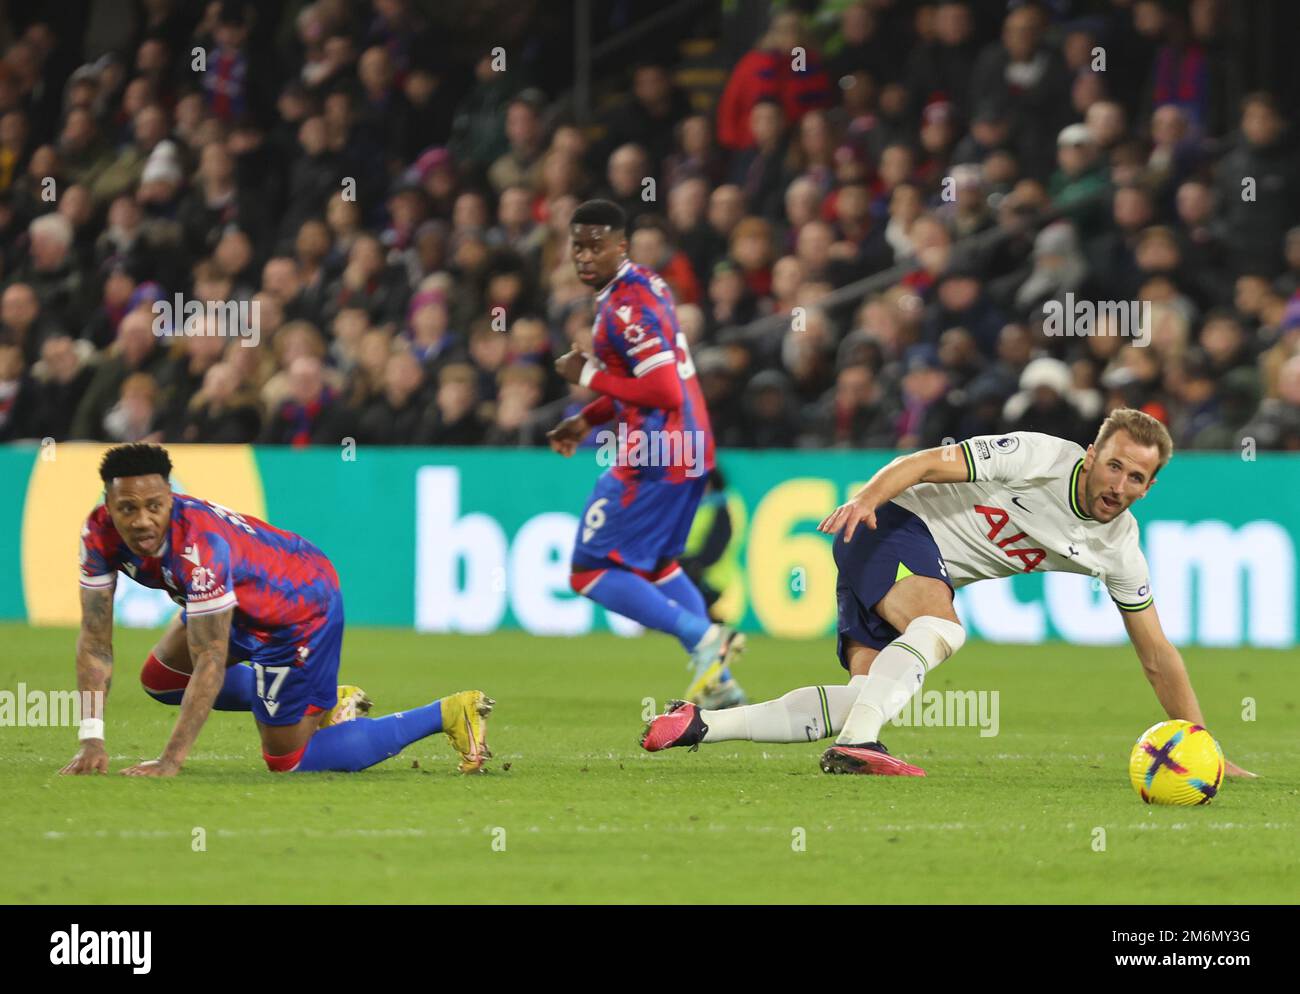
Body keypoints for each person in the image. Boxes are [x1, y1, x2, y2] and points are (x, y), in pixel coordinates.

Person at [643, 409, 1257, 784]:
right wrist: (867, 499)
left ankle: (698, 724)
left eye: (1137, 478)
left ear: (1149, 488)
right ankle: (857, 749)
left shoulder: (1119, 548)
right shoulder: (1040, 457)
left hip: (906, 566)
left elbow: (1156, 653)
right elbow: (927, 462)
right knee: (944, 629)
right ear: (1092, 455)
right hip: (890, 528)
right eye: (1115, 466)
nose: (1119, 485)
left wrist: (1198, 741)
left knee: (862, 697)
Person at [60, 443, 492, 777]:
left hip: (298, 611)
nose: (142, 521)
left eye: (154, 506)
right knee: (162, 679)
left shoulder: (199, 548)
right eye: (127, 508)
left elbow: (211, 658)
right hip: (237, 600)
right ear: (107, 504)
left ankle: (446, 712)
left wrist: (170, 759)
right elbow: (96, 642)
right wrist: (91, 739)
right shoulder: (97, 533)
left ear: (171, 498)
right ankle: (318, 704)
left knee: (286, 761)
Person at [546, 199, 746, 708]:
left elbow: (662, 392)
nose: (585, 256)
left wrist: (586, 376)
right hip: (691, 447)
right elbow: (645, 381)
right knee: (657, 563)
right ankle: (717, 676)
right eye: (578, 245)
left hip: (656, 454)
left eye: (597, 245)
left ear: (621, 246)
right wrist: (586, 418)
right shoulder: (645, 285)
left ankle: (705, 638)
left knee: (588, 570)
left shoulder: (625, 308)